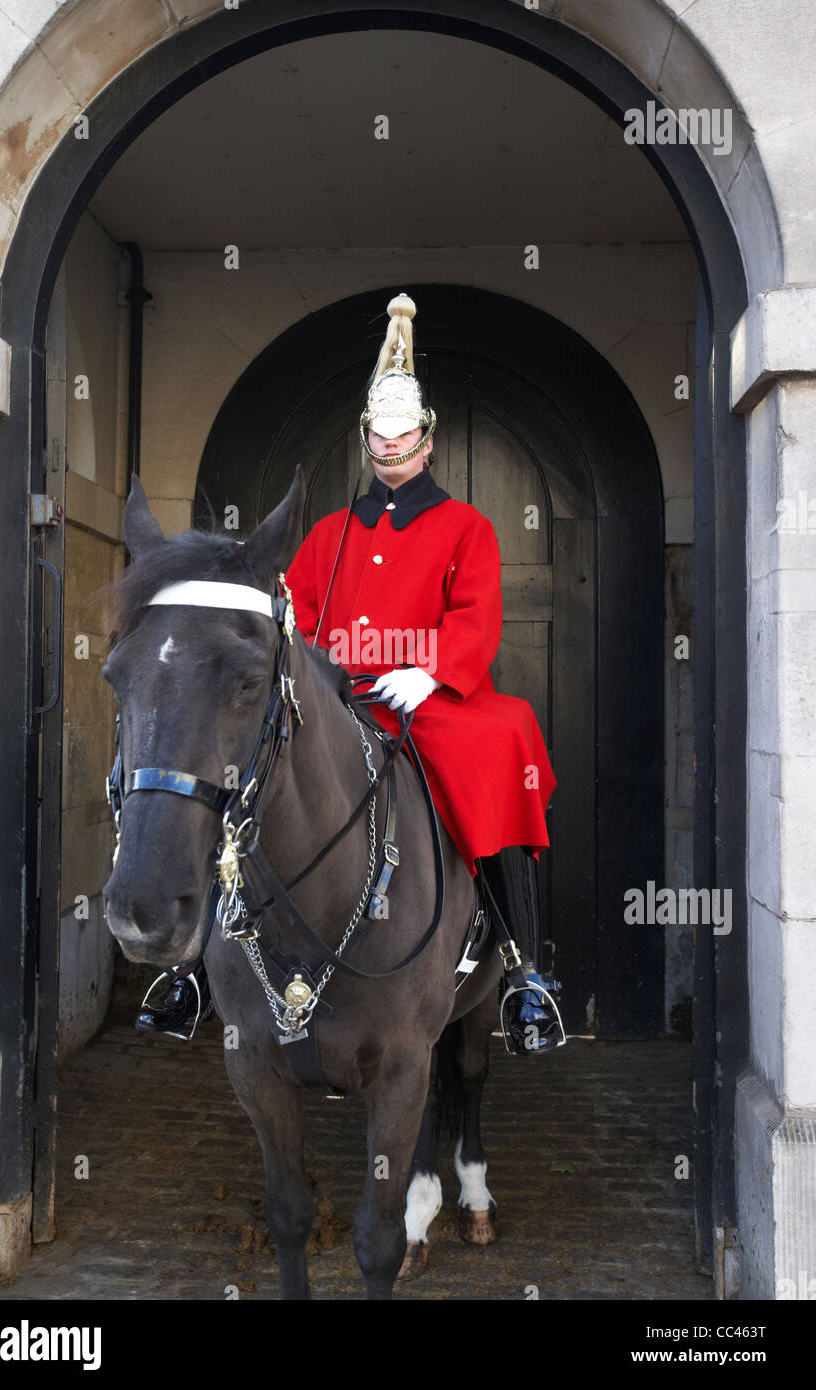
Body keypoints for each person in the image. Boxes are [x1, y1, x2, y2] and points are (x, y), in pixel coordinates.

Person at [138, 294, 560, 1050]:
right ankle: (199, 964)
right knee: (245, 770)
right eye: (379, 435)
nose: (391, 447)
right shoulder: (328, 532)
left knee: (499, 746)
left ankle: (523, 969)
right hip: (334, 695)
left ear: (428, 441)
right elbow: (284, 615)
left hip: (430, 696)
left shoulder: (470, 527)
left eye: (405, 436)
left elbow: (477, 617)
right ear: (366, 440)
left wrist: (430, 672)